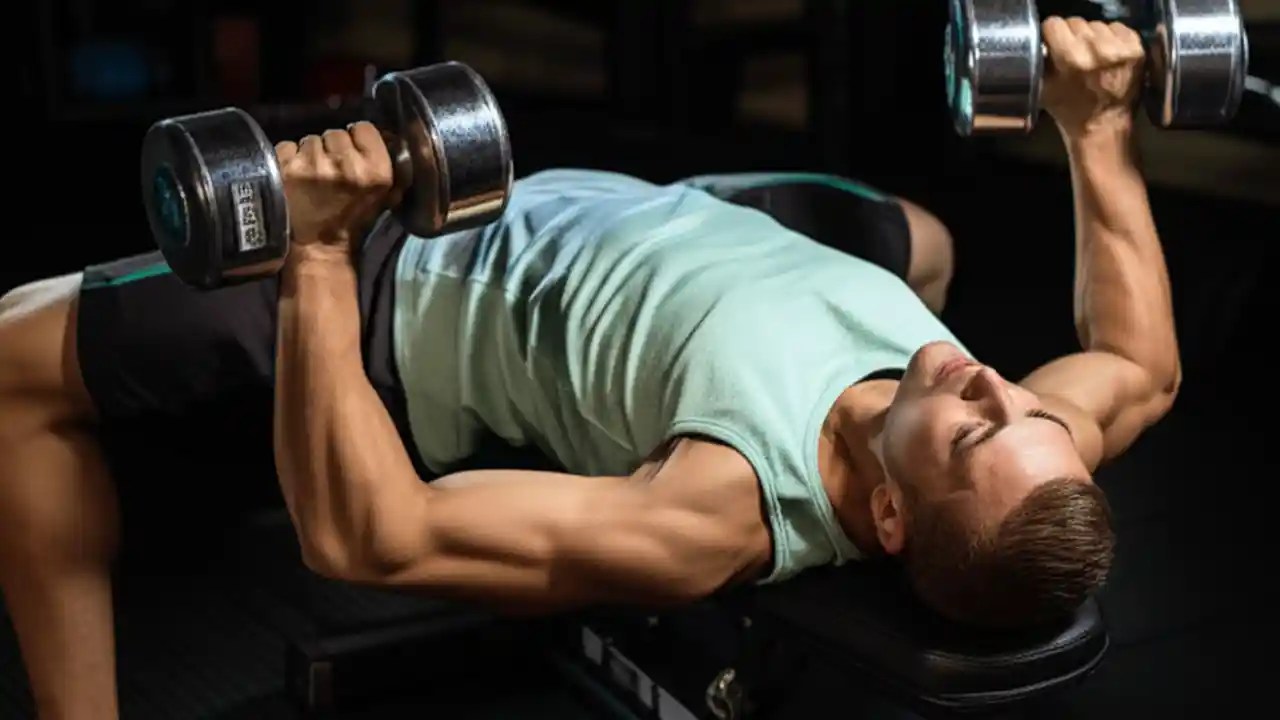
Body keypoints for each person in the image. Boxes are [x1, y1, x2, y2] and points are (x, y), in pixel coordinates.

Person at [0, 17, 1178, 719]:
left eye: (975, 425)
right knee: (928, 242)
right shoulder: (1025, 437)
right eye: (1022, 401)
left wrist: (315, 250)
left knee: (11, 355)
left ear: (880, 512)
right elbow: (1138, 364)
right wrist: (1093, 124)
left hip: (438, 273)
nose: (987, 382)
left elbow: (370, 537)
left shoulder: (711, 506)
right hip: (702, 225)